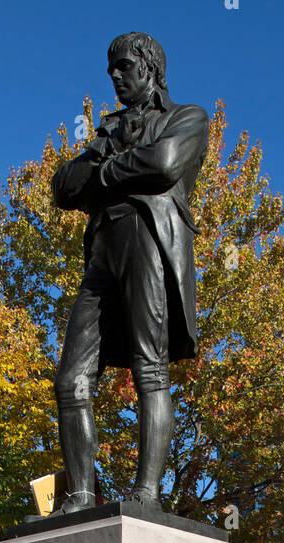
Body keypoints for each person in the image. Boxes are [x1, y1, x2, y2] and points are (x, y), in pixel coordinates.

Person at [50, 32, 209, 513]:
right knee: (70, 380)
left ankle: (146, 494)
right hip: (103, 251)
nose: (114, 76)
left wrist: (100, 173)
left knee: (150, 369)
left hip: (148, 238)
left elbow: (163, 164)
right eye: (110, 69)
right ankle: (80, 495)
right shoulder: (108, 130)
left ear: (149, 67)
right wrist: (115, 169)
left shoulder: (188, 117)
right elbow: (62, 185)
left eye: (123, 66)